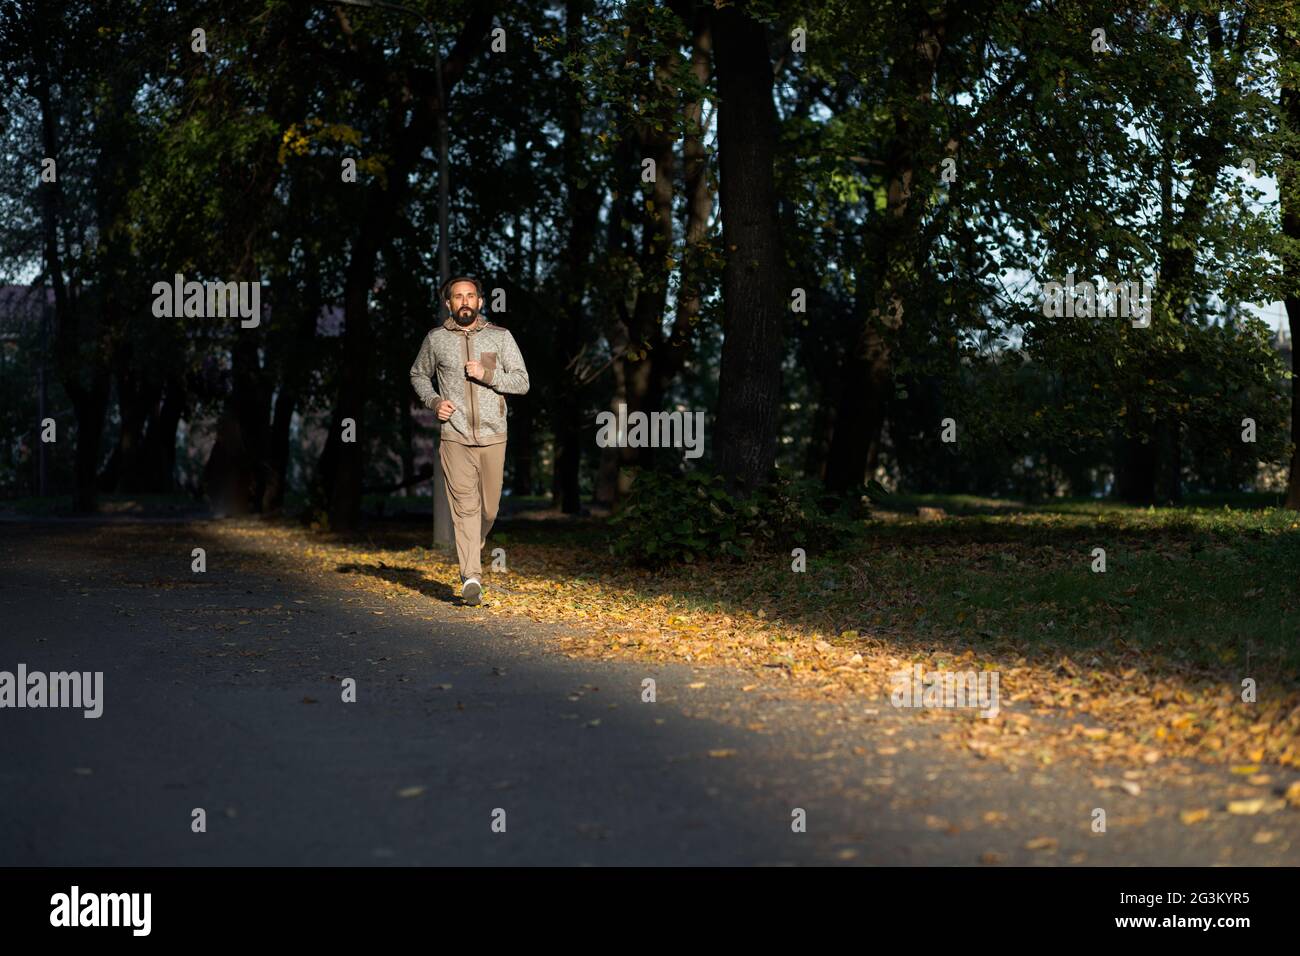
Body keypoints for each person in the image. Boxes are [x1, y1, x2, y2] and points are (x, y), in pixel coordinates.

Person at [408, 276, 529, 605]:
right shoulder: (435, 340)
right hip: (455, 436)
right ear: (448, 304)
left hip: (494, 435)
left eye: (470, 296)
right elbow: (418, 374)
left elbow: (522, 382)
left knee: (488, 510)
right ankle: (471, 576)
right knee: (465, 509)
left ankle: (471, 549)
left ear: (480, 301)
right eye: (457, 296)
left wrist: (487, 375)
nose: (464, 301)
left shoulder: (500, 337)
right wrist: (435, 402)